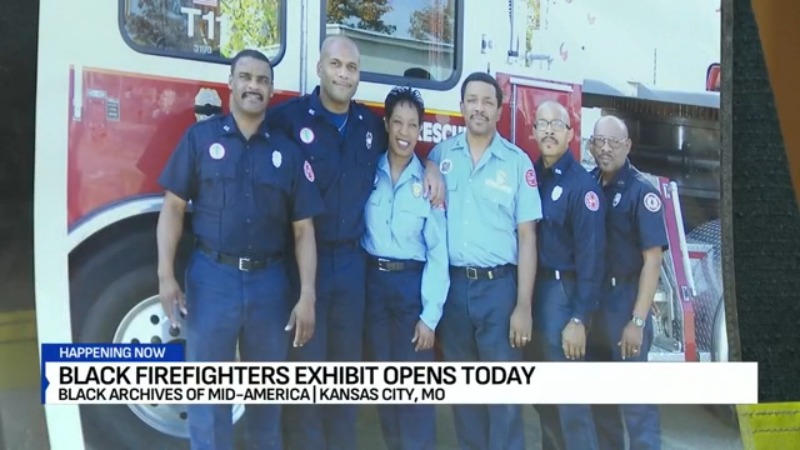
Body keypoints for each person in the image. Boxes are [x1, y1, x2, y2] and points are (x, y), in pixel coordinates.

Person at [265, 35, 444, 450]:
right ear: (320, 68)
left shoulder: (368, 125)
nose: (344, 74)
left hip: (351, 265)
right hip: (303, 261)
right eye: (336, 65)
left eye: (352, 68)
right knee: (306, 374)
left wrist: (432, 164)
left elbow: (406, 149)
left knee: (346, 375)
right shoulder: (288, 120)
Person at [155, 49, 324, 450]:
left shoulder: (287, 153)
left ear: (270, 89)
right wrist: (165, 275)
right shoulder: (201, 138)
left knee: (266, 401)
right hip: (212, 280)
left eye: (262, 80)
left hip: (270, 285)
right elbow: (173, 208)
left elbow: (304, 231)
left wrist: (307, 296)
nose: (254, 85)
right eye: (245, 77)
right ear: (230, 84)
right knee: (209, 402)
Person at [426, 71, 541, 450]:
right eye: (472, 100)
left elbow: (527, 237)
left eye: (487, 101)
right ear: (461, 107)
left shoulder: (516, 161)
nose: (479, 107)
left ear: (498, 109)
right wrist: (427, 166)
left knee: (504, 399)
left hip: (499, 291)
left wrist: (523, 305)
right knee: (464, 396)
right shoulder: (441, 156)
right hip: (455, 290)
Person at [361, 86, 449, 450]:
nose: (404, 132)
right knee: (384, 385)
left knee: (414, 389)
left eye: (413, 125)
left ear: (420, 130)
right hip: (372, 286)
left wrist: (430, 316)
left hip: (411, 289)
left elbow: (438, 253)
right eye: (398, 122)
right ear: (386, 124)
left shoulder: (429, 184)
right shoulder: (368, 171)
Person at [588, 115, 667, 450]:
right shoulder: (588, 183)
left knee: (635, 403)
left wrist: (637, 320)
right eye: (599, 141)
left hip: (626, 301)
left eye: (614, 142)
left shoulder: (641, 192)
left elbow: (653, 261)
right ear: (590, 144)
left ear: (627, 146)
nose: (605, 149)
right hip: (594, 302)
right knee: (600, 401)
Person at [530, 100, 605, 450]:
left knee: (571, 403)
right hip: (534, 294)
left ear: (570, 133)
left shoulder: (582, 188)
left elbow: (592, 259)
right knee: (545, 399)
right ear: (532, 131)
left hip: (564, 295)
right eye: (541, 123)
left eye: (556, 124)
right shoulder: (531, 176)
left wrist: (580, 318)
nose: (548, 130)